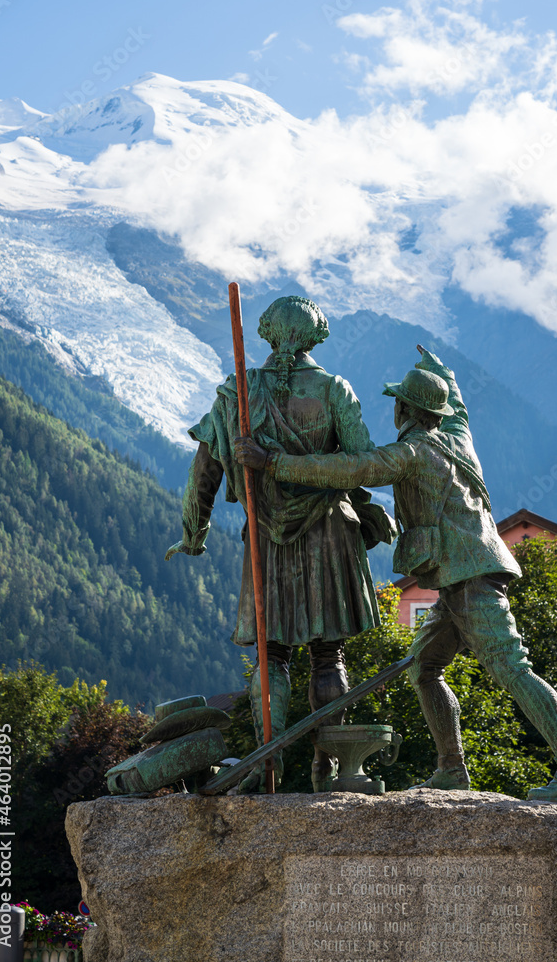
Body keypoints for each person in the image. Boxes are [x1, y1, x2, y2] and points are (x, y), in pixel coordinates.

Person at [235, 345, 557, 803]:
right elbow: (459, 406)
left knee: (512, 667)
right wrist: (442, 370)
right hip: (460, 581)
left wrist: (272, 463)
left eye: (397, 402)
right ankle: (451, 768)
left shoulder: (407, 453)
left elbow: (349, 468)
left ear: (403, 409)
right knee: (426, 668)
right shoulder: (458, 435)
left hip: (471, 578)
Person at [165, 295, 395, 793]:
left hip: (266, 538)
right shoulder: (334, 390)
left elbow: (202, 472)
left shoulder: (238, 393)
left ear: (269, 334)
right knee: (327, 656)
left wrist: (193, 533)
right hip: (331, 532)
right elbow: (364, 464)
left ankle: (269, 766)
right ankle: (331, 765)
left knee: (271, 658)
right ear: (316, 335)